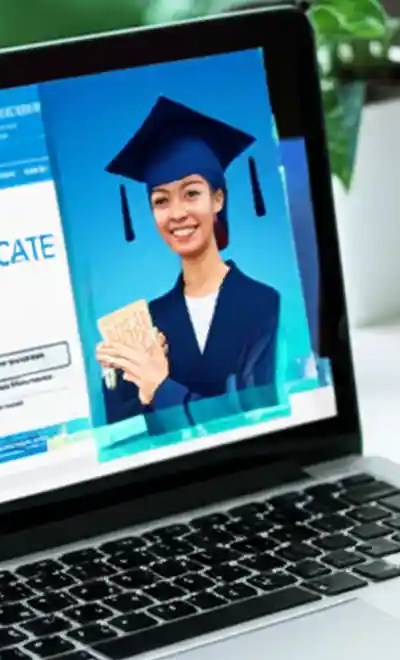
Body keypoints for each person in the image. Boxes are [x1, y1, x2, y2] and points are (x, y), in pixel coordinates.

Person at [96, 96, 280, 433]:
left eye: (191, 193)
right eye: (161, 200)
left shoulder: (264, 303)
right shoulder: (151, 320)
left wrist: (159, 386)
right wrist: (116, 377)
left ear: (218, 199)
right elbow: (128, 439)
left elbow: (256, 423)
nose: (177, 213)